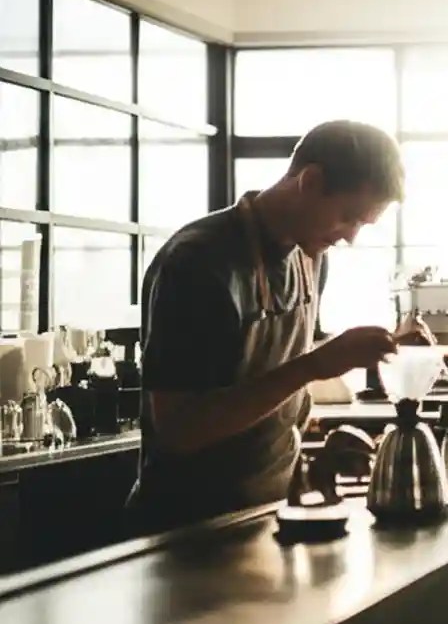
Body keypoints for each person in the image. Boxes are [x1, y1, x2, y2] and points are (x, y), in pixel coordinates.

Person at [126, 120, 414, 532]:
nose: (350, 237)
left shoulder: (310, 258)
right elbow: (179, 429)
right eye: (348, 217)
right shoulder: (198, 262)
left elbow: (272, 384)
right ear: (310, 181)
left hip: (267, 514)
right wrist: (313, 366)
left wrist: (314, 463)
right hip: (186, 529)